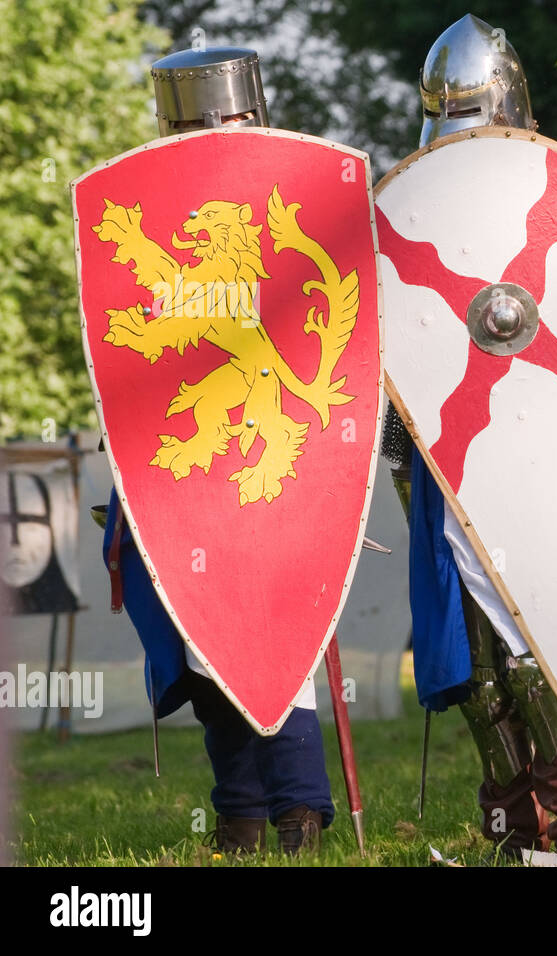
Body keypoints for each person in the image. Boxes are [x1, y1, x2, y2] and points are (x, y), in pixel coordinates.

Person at [385, 13, 557, 864]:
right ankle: (521, 835)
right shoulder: (408, 196)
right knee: (478, 671)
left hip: (551, 467)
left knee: (543, 650)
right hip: (448, 462)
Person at [97, 47, 333, 855]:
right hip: (193, 478)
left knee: (277, 642)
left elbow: (211, 323)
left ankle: (296, 808)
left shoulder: (280, 206)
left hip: (268, 457)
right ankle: (239, 809)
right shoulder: (165, 212)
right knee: (207, 647)